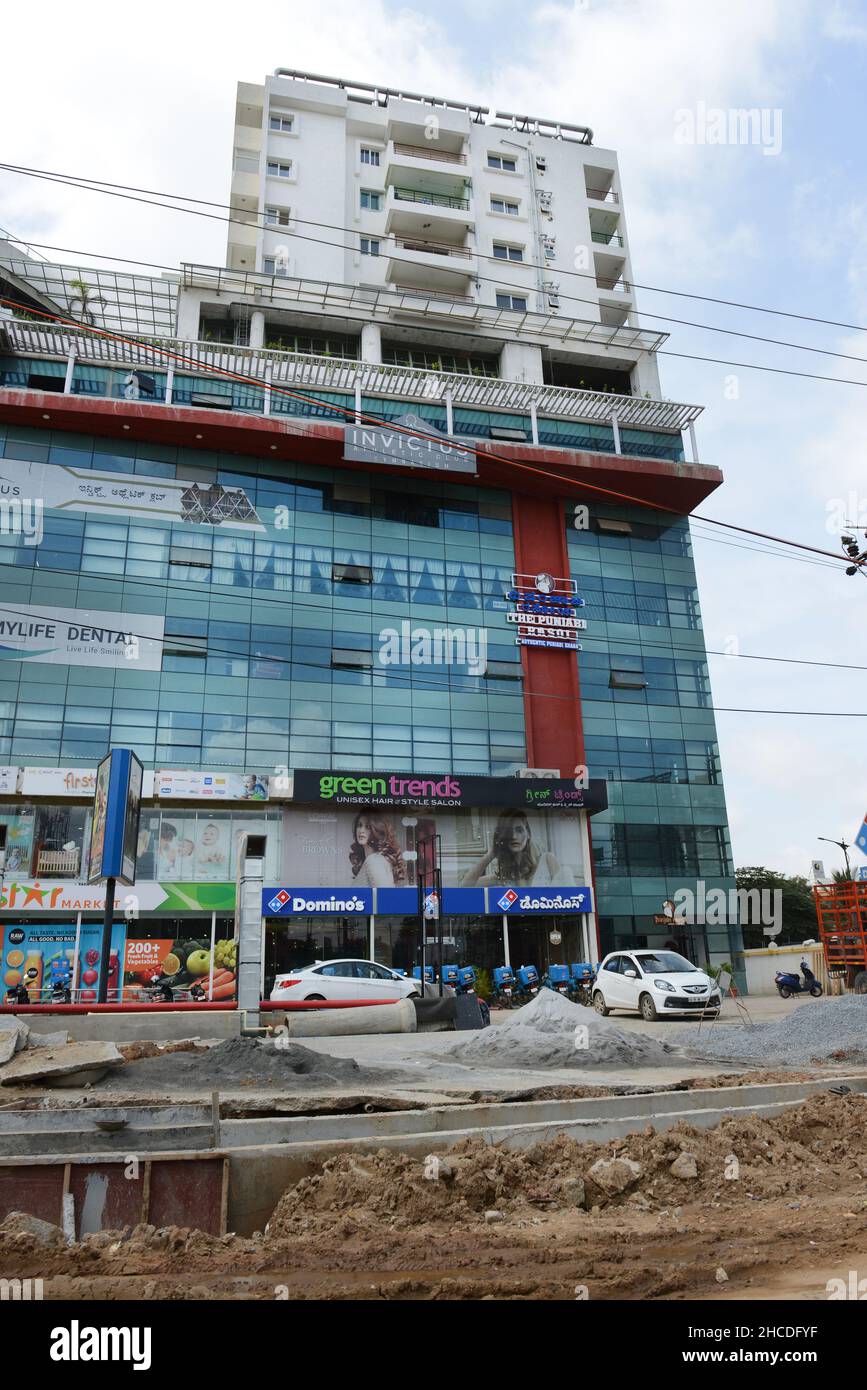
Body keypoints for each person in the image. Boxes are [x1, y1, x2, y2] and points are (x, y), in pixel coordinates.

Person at [461, 809, 572, 888]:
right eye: (508, 832)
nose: (514, 837)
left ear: (528, 833)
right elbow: (464, 888)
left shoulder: (547, 860)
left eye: (519, 830)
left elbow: (568, 895)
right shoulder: (502, 876)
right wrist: (492, 853)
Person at [349, 810, 407, 888]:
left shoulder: (374, 860)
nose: (361, 831)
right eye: (359, 825)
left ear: (378, 831)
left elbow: (385, 897)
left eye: (368, 827)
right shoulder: (371, 860)